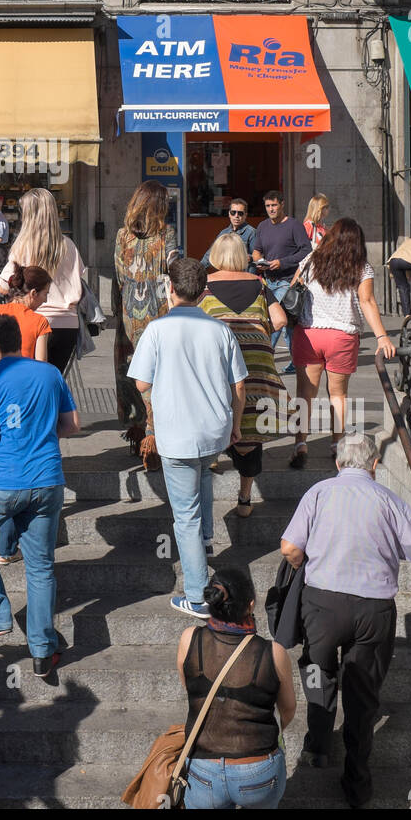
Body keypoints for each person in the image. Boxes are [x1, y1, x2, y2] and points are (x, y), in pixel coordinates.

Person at [281, 433, 411, 808]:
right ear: (374, 464)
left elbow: (290, 549)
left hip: (322, 605)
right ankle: (357, 784)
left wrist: (307, 569)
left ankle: (319, 745)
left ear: (338, 463)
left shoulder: (319, 493)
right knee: (363, 696)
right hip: (373, 610)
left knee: (318, 672)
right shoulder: (389, 499)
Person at [0, 313, 80, 676]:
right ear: (22, 342)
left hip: (2, 481)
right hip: (48, 479)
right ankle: (42, 651)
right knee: (41, 567)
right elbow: (72, 425)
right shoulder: (50, 374)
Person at [128, 257, 248, 619]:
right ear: (203, 292)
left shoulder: (157, 329)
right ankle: (207, 541)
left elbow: (141, 383)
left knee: (186, 516)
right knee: (205, 476)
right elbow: (238, 385)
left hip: (178, 431)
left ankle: (197, 595)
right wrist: (236, 425)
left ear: (170, 289)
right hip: (214, 428)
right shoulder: (220, 330)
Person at [177, 566, 296, 811]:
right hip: (258, 771)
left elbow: (189, 688)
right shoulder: (274, 653)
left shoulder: (190, 639)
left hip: (203, 769)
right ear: (250, 606)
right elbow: (288, 710)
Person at [289, 218, 396, 469]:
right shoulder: (362, 268)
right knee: (338, 394)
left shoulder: (311, 261)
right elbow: (367, 301)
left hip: (308, 333)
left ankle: (300, 444)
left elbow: (295, 287)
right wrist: (382, 336)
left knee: (305, 394)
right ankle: (337, 445)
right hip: (342, 337)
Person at [198, 232, 287, 517]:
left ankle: (211, 461)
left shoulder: (205, 286)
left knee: (214, 412)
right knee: (251, 425)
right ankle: (245, 496)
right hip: (256, 361)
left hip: (219, 363)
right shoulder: (260, 286)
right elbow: (280, 319)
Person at [0, 262, 53, 567]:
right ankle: (7, 545)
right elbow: (43, 367)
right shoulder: (40, 322)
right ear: (32, 293)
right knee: (22, 467)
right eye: (45, 294)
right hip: (27, 402)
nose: (46, 300)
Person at [113, 181, 181, 469]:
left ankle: (139, 432)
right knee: (159, 377)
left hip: (130, 314)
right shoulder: (167, 233)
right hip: (159, 315)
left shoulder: (122, 236)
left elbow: (118, 276)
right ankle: (154, 438)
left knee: (131, 374)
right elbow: (174, 269)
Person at [0, 187, 86, 376]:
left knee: (30, 384)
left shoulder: (22, 246)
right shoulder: (68, 245)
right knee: (52, 382)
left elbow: (5, 285)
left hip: (33, 321)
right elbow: (79, 277)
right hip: (67, 324)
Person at [251, 190, 312, 374]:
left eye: (274, 205)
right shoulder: (262, 226)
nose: (271, 209)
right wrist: (258, 261)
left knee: (275, 320)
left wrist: (282, 262)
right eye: (268, 206)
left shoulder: (294, 225)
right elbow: (257, 249)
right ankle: (298, 361)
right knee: (288, 327)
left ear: (282, 204)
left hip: (287, 281)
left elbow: (306, 251)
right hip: (269, 281)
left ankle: (264, 360)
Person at [200, 199, 257, 270]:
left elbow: (257, 257)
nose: (236, 216)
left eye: (240, 213)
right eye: (233, 212)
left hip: (244, 276)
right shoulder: (224, 233)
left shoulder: (251, 232)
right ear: (229, 214)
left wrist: (249, 258)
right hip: (226, 275)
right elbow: (211, 253)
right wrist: (199, 269)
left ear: (245, 215)